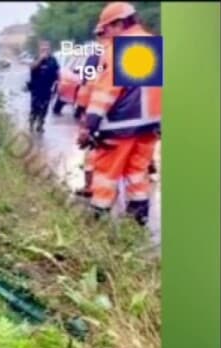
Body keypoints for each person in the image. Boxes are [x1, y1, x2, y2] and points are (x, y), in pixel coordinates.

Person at [79, 2, 162, 225]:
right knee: (138, 171)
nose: (105, 35)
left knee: (106, 173)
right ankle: (138, 215)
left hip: (121, 125)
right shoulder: (153, 43)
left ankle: (98, 216)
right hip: (150, 126)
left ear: (119, 23)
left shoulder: (118, 48)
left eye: (106, 29)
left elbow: (106, 91)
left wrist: (90, 125)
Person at [73, 49, 104, 198]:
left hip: (96, 121)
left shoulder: (90, 82)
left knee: (91, 154)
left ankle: (90, 186)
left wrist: (84, 130)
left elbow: (83, 104)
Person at [26, 40, 60, 133]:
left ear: (49, 49)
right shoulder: (36, 58)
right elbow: (32, 67)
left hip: (47, 89)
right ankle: (31, 123)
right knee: (35, 107)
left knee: (44, 108)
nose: (45, 50)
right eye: (43, 48)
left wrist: (57, 85)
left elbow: (57, 73)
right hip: (36, 89)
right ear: (39, 49)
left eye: (46, 48)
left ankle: (40, 125)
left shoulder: (53, 60)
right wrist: (40, 59)